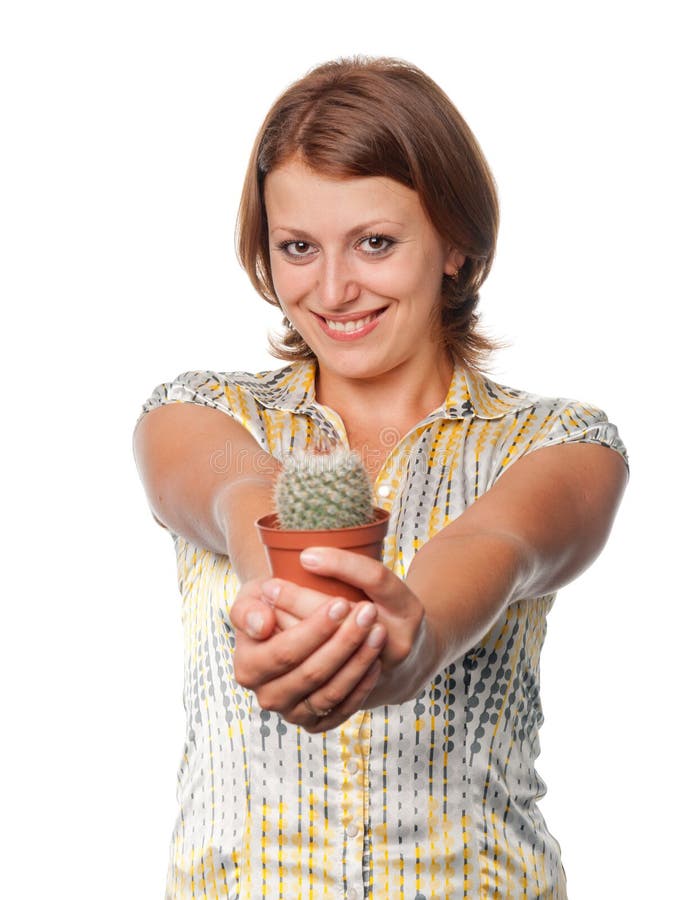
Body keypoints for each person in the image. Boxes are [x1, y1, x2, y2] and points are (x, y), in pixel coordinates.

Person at [133, 55, 628, 900]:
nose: (332, 288)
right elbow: (233, 488)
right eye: (297, 247)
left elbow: (495, 541)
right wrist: (277, 590)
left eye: (375, 242)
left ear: (456, 245)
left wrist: (413, 643)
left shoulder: (561, 442)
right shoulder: (198, 412)